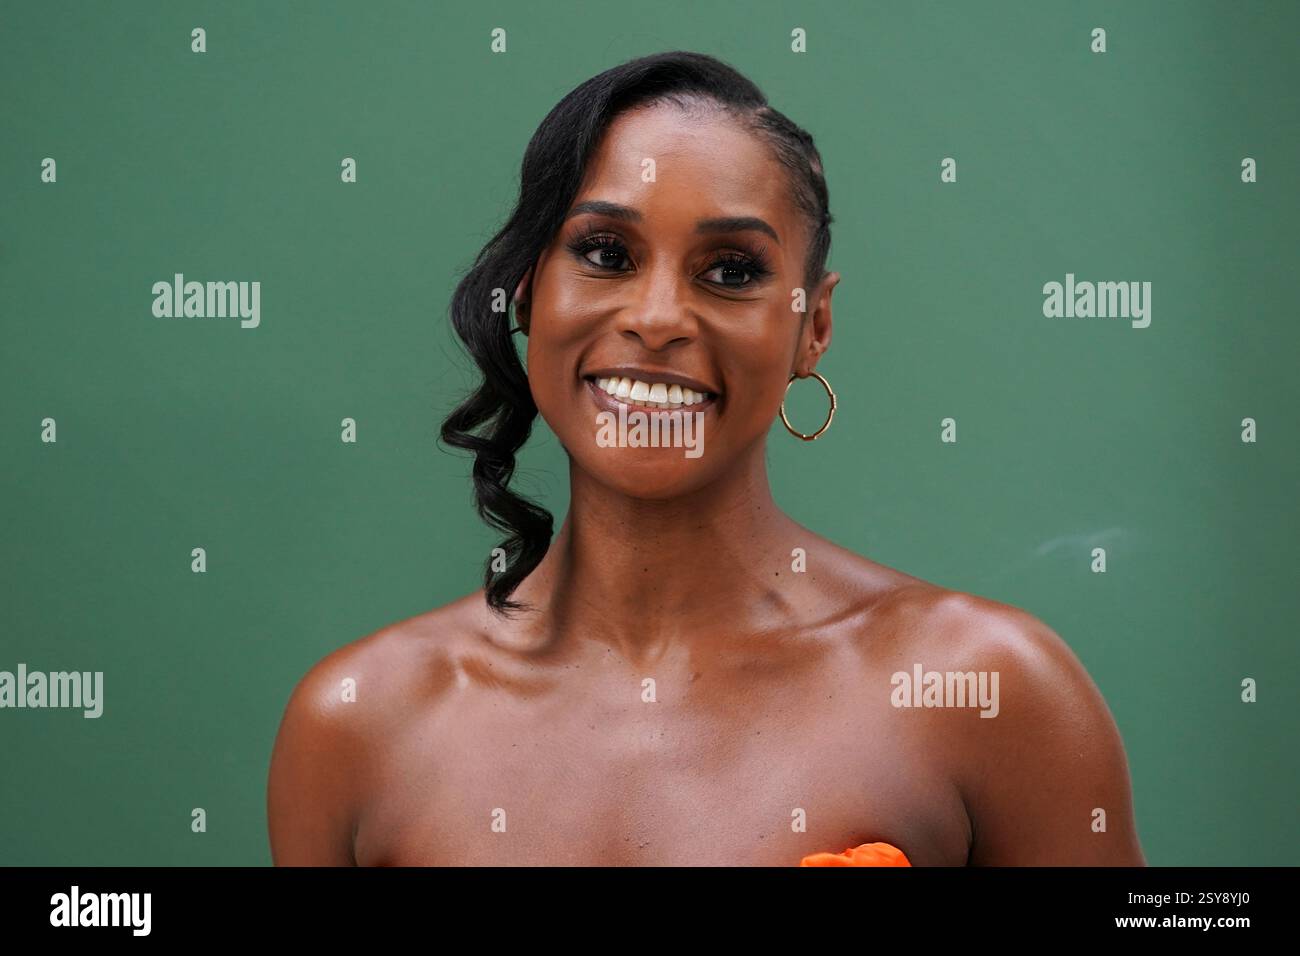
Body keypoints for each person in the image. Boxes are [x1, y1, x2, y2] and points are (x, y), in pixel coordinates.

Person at [267, 51, 1145, 866]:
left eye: (730, 271)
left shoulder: (986, 689)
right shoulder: (357, 724)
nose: (658, 318)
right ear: (528, 291)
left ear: (815, 327)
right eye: (605, 253)